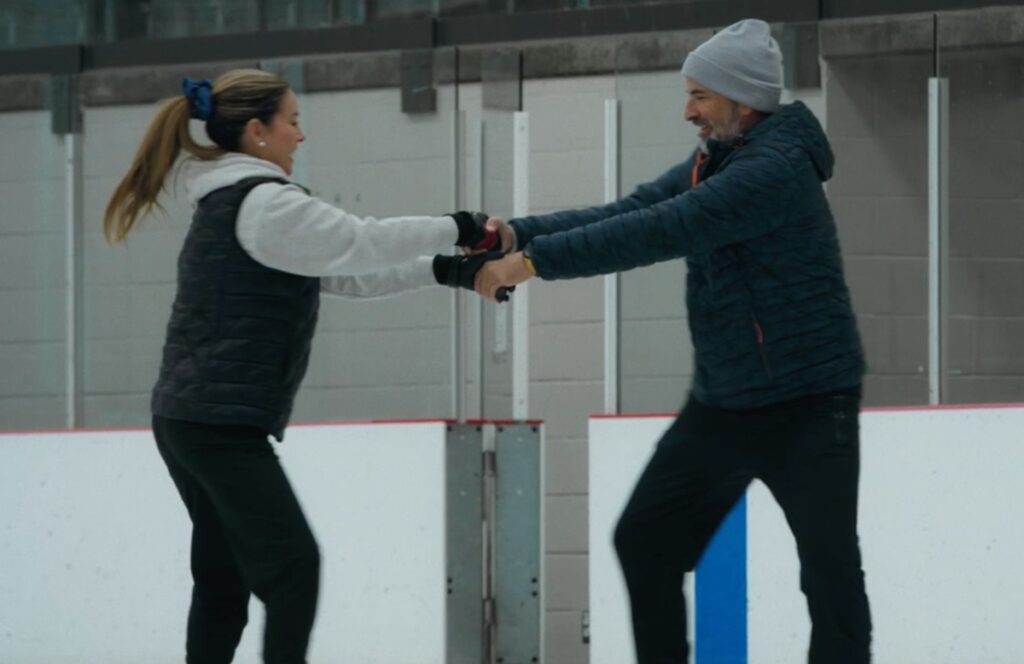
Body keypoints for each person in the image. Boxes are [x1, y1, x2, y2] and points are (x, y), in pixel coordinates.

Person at [475, 18, 872, 664]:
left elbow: (659, 230)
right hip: (725, 404)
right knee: (645, 541)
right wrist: (516, 234)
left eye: (700, 96)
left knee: (829, 576)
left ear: (743, 100)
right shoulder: (713, 160)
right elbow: (626, 212)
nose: (687, 110)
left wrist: (530, 265)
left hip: (808, 400)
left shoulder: (773, 171)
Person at [103, 68, 498, 664]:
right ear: (258, 131)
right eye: (293, 121)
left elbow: (341, 273)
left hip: (189, 418)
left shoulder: (236, 201)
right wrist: (460, 228)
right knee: (293, 569)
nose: (301, 135)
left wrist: (444, 268)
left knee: (224, 577)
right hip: (216, 423)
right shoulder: (264, 204)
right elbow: (360, 241)